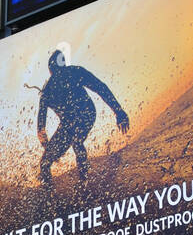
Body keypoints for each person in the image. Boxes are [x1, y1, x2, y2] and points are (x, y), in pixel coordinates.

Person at [36, 50, 129, 187]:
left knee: (76, 141)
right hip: (68, 124)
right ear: (53, 71)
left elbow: (100, 88)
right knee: (44, 163)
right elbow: (41, 127)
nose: (61, 77)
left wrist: (118, 111)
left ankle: (84, 184)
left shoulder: (75, 72)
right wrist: (48, 147)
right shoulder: (47, 92)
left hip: (86, 112)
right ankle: (48, 197)